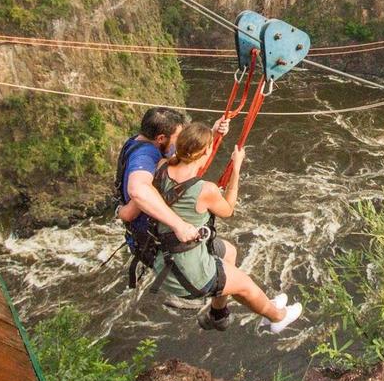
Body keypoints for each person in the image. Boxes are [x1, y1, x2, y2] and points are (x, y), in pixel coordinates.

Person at [151, 121, 302, 334]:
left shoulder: (162, 168)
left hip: (164, 259)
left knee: (229, 252)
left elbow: (190, 166)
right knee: (245, 286)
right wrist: (236, 168)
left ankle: (218, 313)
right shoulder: (206, 190)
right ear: (205, 151)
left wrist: (212, 134)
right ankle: (278, 318)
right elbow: (228, 209)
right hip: (188, 272)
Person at [116, 107, 228, 244]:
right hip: (154, 240)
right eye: (177, 138)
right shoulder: (146, 157)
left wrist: (211, 134)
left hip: (143, 234)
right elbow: (138, 191)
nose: (179, 142)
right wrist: (179, 226)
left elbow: (184, 154)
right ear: (161, 138)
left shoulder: (137, 141)